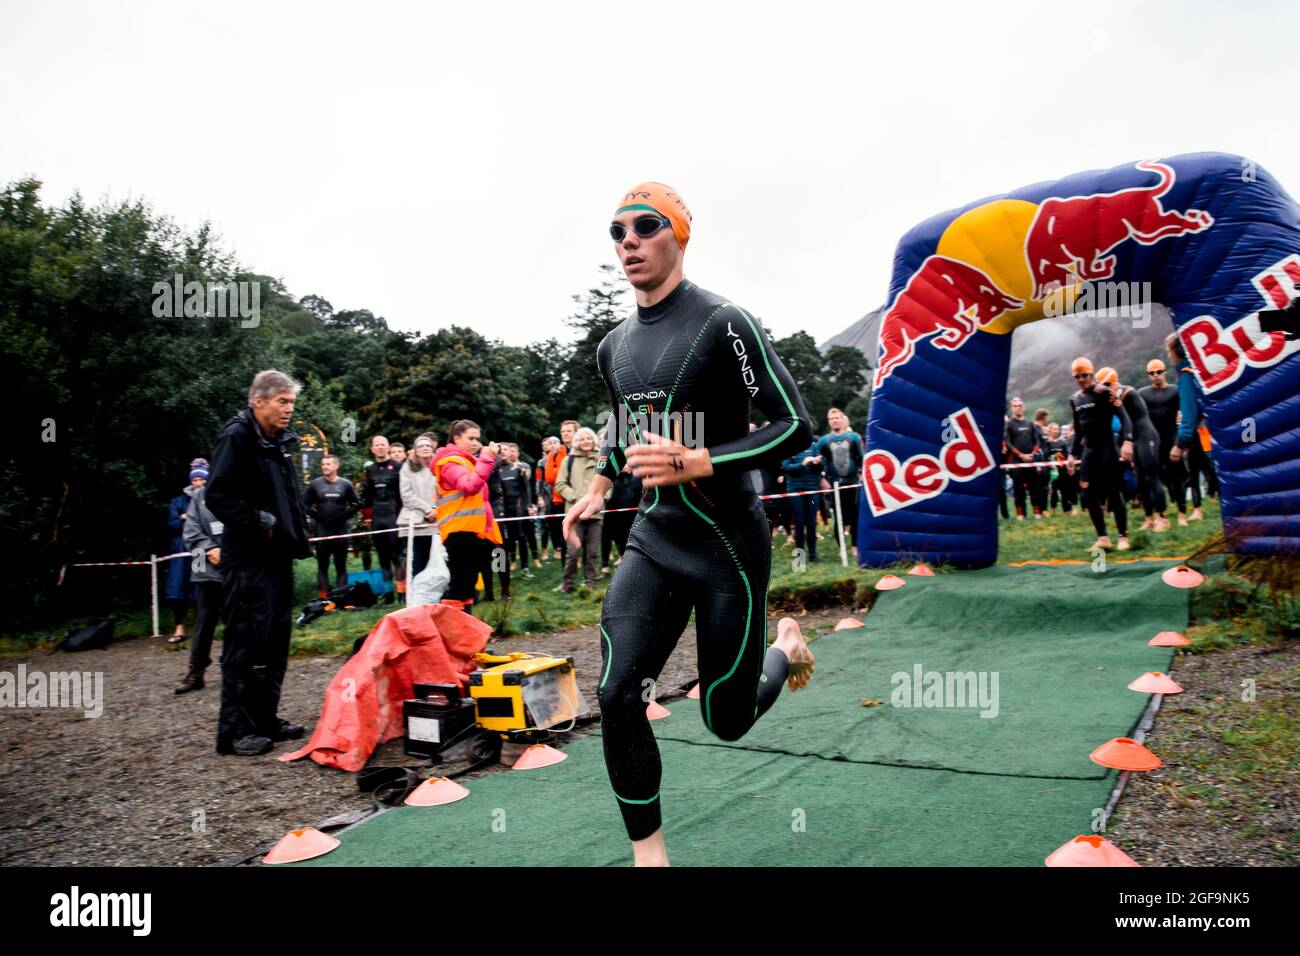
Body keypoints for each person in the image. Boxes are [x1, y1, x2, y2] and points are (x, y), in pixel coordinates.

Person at [563, 181, 816, 867]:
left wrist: (700, 459)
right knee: (617, 693)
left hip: (728, 544)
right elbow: (623, 425)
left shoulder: (722, 322)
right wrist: (603, 484)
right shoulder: (613, 346)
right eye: (617, 231)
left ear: (679, 234)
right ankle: (652, 858)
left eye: (645, 226)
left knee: (725, 719)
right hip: (656, 538)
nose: (629, 242)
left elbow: (795, 424)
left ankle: (784, 645)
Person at [205, 370, 310, 756]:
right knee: (245, 641)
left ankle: (266, 718)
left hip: (278, 556)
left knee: (275, 641)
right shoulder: (236, 436)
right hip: (248, 558)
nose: (289, 410)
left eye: (292, 403)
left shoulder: (279, 441)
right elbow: (218, 495)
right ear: (258, 400)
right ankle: (234, 732)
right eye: (282, 402)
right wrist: (259, 524)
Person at [432, 420, 502, 614]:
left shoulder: (467, 462)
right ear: (456, 438)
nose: (476, 443)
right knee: (459, 588)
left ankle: (465, 641)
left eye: (478, 439)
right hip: (459, 533)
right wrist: (487, 458)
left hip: (471, 533)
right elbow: (470, 486)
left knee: (467, 589)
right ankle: (444, 631)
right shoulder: (449, 463)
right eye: (470, 438)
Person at [1066, 358, 1132, 551]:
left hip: (1107, 449)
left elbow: (1124, 417)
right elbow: (1078, 431)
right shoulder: (1075, 399)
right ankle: (1103, 537)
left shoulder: (1104, 392)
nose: (1081, 379)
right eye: (1077, 376)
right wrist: (1071, 454)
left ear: (1091, 374)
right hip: (1089, 452)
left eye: (1084, 375)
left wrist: (1127, 441)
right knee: (1086, 494)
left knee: (1113, 493)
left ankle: (1123, 536)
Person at [1096, 367, 1169, 532]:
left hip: (1147, 436)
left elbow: (1117, 397)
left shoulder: (1127, 391)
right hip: (1135, 439)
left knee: (1152, 478)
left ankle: (1162, 518)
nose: (1106, 389)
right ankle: (1149, 518)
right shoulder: (1114, 397)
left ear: (1114, 382)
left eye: (1108, 385)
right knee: (1141, 481)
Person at [175, 470, 222, 694]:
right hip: (202, 565)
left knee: (239, 620)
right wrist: (209, 548)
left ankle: (234, 668)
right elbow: (190, 531)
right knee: (204, 621)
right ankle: (196, 671)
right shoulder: (199, 496)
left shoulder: (237, 489)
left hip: (233, 565)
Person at [555, 426, 609, 591]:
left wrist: (601, 497)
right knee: (572, 552)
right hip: (575, 514)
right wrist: (575, 498)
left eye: (589, 438)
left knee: (592, 553)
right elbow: (560, 484)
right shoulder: (568, 460)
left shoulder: (603, 459)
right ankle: (567, 585)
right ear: (577, 442)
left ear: (594, 440)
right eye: (582, 439)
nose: (586, 441)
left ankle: (590, 584)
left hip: (596, 514)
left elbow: (609, 484)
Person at [1139, 358, 1188, 526]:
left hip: (1171, 439)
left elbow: (1184, 417)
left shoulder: (1175, 391)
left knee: (1177, 478)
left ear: (1164, 372)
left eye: (1158, 372)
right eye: (1151, 373)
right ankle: (1157, 515)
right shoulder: (1143, 393)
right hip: (1153, 442)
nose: (1155, 376)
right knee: (1152, 479)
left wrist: (1180, 443)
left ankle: (1182, 514)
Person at [303, 453, 361, 595]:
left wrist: (345, 515)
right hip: (322, 530)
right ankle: (324, 598)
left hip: (340, 529)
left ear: (336, 466)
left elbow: (356, 503)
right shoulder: (315, 484)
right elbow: (304, 505)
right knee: (323, 566)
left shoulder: (345, 484)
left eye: (328, 464)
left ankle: (340, 597)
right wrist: (317, 516)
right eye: (323, 464)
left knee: (340, 565)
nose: (325, 467)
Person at [1166, 333, 1208, 521]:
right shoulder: (1198, 369)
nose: (1168, 355)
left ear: (1176, 352)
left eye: (1169, 350)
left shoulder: (1186, 375)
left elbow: (1189, 415)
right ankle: (1197, 509)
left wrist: (1179, 443)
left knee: (1202, 471)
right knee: (1197, 471)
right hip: (1206, 432)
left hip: (1201, 434)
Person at [163, 460, 206, 643]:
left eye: (201, 479)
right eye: (195, 479)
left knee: (201, 585)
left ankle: (202, 628)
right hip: (181, 550)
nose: (198, 483)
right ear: (191, 480)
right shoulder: (178, 501)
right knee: (179, 587)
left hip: (200, 549)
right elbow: (171, 525)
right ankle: (179, 627)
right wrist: (184, 519)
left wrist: (187, 517)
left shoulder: (210, 499)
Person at [360, 436, 402, 603]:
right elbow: (367, 496)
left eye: (382, 445)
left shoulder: (398, 467)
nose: (380, 448)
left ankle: (402, 593)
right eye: (376, 445)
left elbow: (403, 493)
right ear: (372, 449)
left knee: (397, 556)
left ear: (388, 447)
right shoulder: (370, 470)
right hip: (378, 516)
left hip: (394, 515)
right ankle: (388, 594)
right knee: (383, 556)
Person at [816, 408, 863, 555]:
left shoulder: (853, 437)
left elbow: (861, 458)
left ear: (842, 419)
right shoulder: (824, 441)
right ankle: (841, 547)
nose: (835, 420)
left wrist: (861, 474)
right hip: (834, 484)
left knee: (855, 514)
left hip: (852, 482)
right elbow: (816, 460)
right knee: (838, 516)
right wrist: (822, 478)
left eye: (837, 418)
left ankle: (855, 546)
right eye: (832, 419)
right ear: (829, 422)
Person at [398, 434, 440, 582]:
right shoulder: (407, 468)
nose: (425, 448)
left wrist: (436, 509)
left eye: (428, 446)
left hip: (438, 519)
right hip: (416, 521)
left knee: (438, 559)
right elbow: (406, 494)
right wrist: (427, 509)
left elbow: (444, 490)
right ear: (415, 450)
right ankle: (418, 595)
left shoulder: (439, 465)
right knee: (418, 561)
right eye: (421, 446)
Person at [497, 443, 540, 572]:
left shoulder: (518, 468)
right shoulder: (495, 470)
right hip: (504, 508)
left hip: (518, 506)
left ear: (510, 452)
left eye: (505, 449)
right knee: (509, 537)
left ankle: (525, 566)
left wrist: (528, 505)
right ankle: (512, 562)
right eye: (500, 450)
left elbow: (526, 488)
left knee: (521, 536)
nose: (503, 452)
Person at [782, 441, 823, 561]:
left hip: (812, 489)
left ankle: (813, 555)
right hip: (795, 490)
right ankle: (800, 556)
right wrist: (803, 463)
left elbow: (821, 466)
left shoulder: (814, 446)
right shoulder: (788, 446)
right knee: (799, 522)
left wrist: (817, 462)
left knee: (811, 522)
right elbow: (786, 467)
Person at [1004, 397, 1044, 519]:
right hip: (1017, 461)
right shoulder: (1009, 424)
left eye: (1020, 405)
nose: (1018, 408)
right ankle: (1020, 514)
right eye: (1015, 406)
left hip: (1030, 459)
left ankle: (1036, 512)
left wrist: (1033, 454)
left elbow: (1037, 441)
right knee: (1018, 489)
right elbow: (1008, 443)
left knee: (1034, 487)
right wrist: (1021, 455)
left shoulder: (1029, 423)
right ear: (1012, 408)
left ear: (1023, 407)